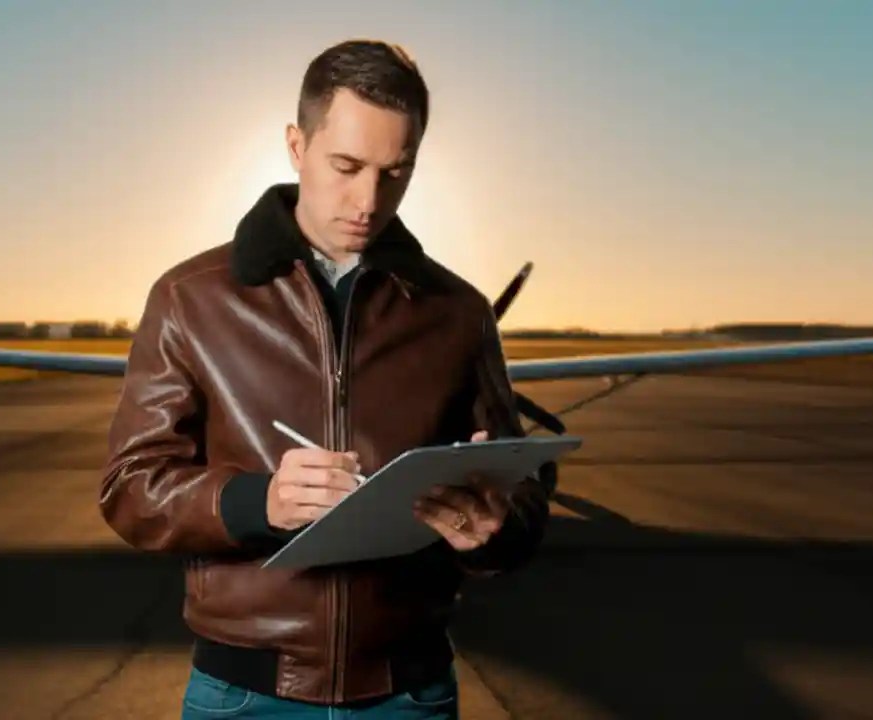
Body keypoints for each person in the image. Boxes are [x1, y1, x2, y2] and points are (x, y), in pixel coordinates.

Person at [99, 38, 553, 718]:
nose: (369, 200)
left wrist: (496, 528)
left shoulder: (460, 313)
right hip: (243, 696)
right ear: (295, 145)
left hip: (413, 691)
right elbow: (129, 487)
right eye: (346, 166)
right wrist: (259, 504)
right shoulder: (188, 298)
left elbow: (522, 493)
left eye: (396, 172)